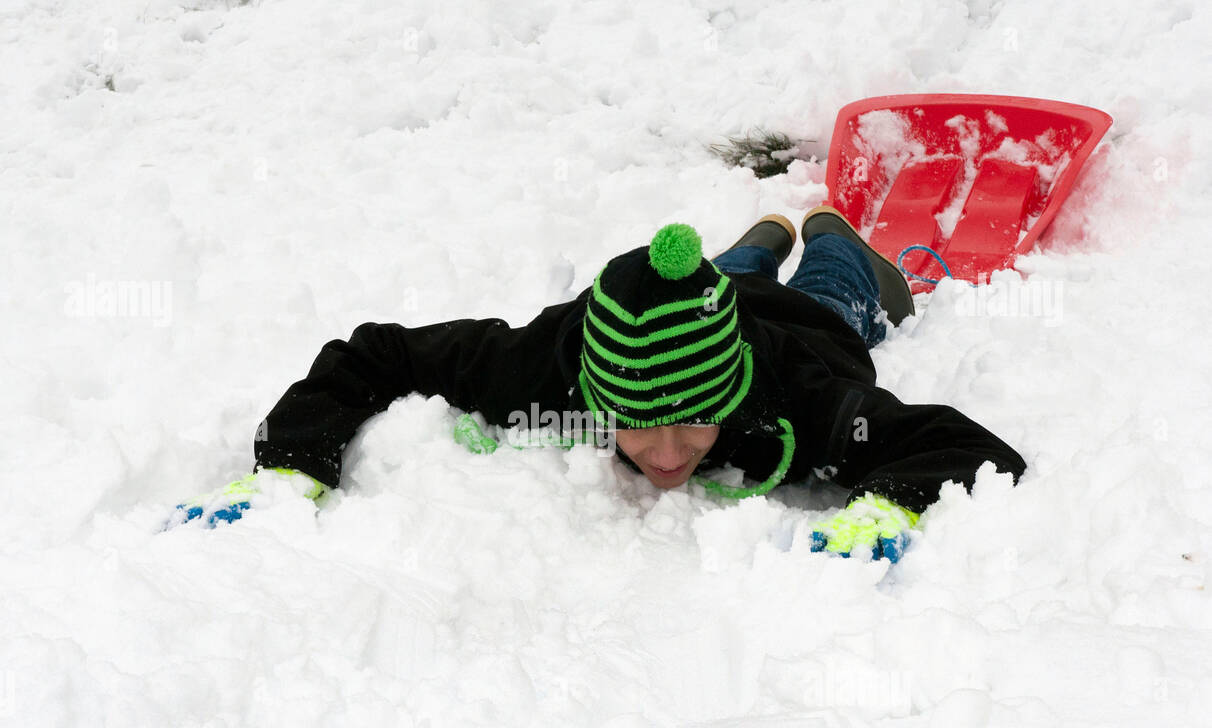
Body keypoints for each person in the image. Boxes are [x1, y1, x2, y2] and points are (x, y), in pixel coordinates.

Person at [171, 208, 1026, 561]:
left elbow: (966, 447)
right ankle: (753, 245)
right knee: (721, 271)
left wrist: (883, 503)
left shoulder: (805, 397)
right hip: (712, 305)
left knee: (835, 283)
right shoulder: (549, 361)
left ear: (726, 396)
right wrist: (293, 463)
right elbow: (378, 353)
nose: (662, 453)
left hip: (807, 326)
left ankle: (826, 228)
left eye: (691, 422)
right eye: (635, 423)